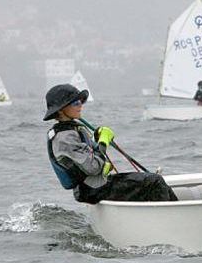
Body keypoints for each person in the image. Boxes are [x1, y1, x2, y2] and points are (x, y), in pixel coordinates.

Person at [44, 83, 178, 204]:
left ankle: (173, 210)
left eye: (80, 101)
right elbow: (93, 167)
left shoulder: (71, 129)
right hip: (93, 190)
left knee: (154, 181)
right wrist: (103, 142)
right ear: (61, 110)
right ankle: (172, 218)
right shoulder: (64, 137)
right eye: (75, 103)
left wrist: (97, 140)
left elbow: (88, 156)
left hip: (95, 185)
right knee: (155, 181)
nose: (80, 105)